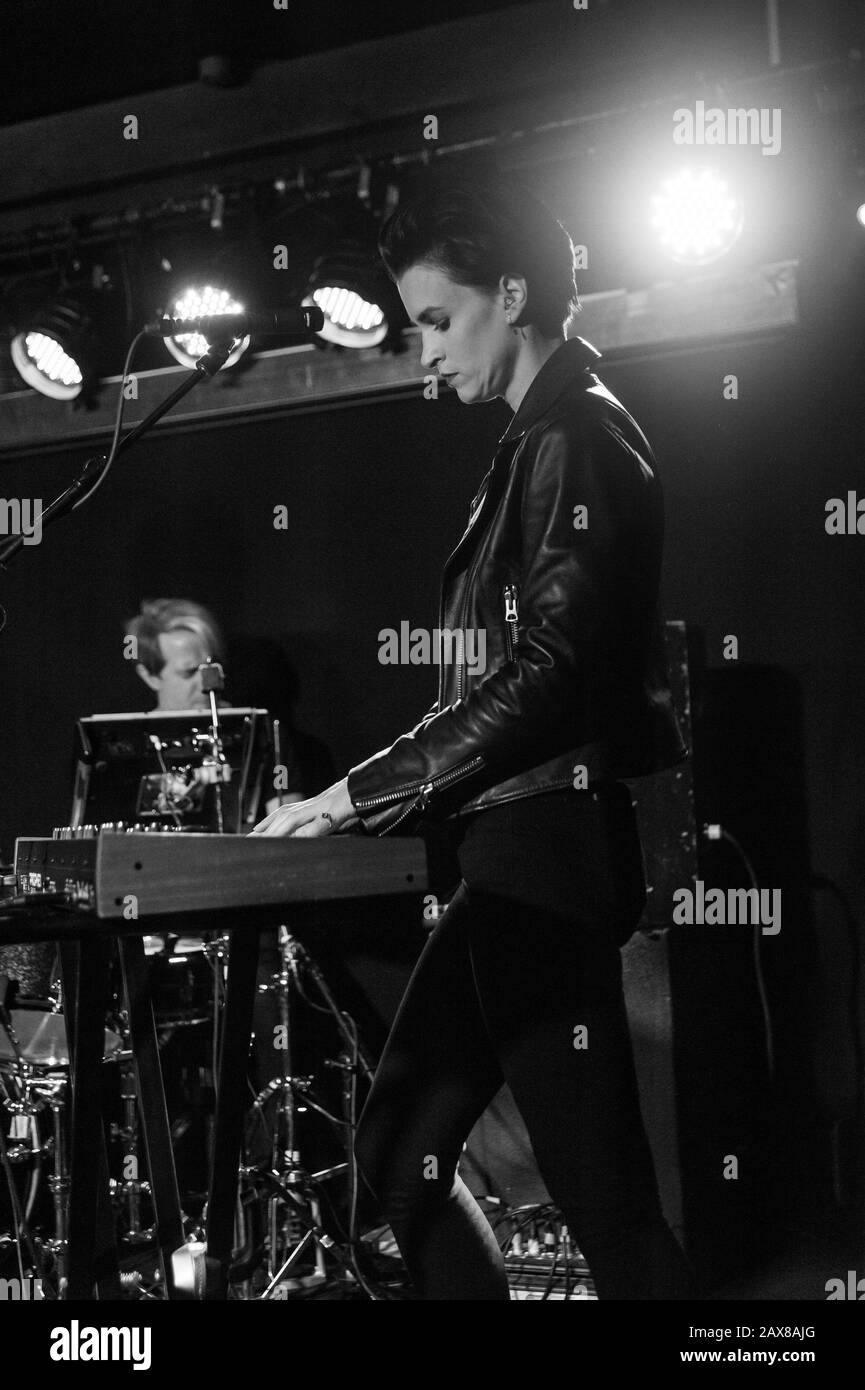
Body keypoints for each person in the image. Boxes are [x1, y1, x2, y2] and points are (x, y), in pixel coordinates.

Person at [251, 176, 697, 1300]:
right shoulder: (535, 442)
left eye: (436, 323)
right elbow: (501, 684)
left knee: (601, 1199)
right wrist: (354, 795)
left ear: (513, 292)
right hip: (510, 861)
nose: (423, 357)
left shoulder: (578, 433)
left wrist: (349, 796)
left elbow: (547, 676)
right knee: (394, 1155)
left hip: (545, 859)